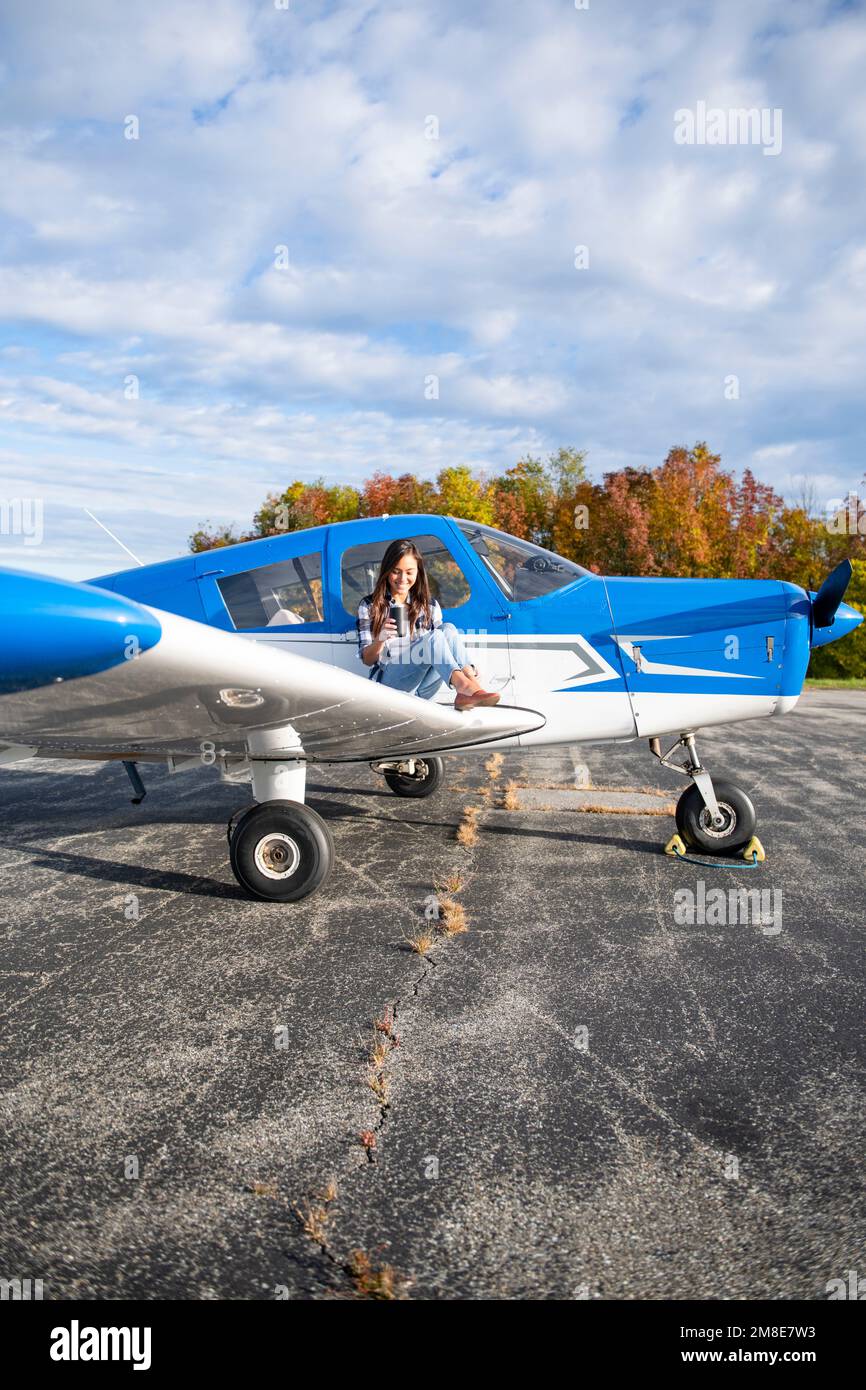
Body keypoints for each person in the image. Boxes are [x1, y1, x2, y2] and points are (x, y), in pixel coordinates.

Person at [357, 539, 501, 709]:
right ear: (387, 572)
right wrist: (380, 638)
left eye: (409, 572)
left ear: (418, 572)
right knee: (433, 637)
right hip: (392, 685)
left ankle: (469, 679)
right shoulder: (369, 605)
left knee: (448, 629)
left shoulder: (430, 605)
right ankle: (465, 688)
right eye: (396, 572)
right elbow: (367, 660)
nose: (403, 578)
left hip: (423, 688)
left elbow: (443, 643)